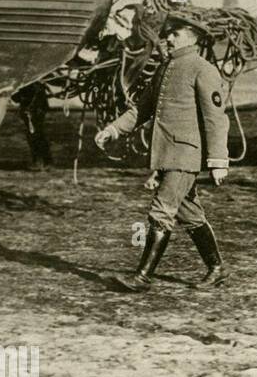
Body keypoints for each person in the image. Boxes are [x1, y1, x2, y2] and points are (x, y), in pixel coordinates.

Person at [94, 15, 230, 291]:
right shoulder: (165, 69)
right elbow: (142, 110)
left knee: (161, 211)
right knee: (189, 214)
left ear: (192, 35)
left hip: (185, 155)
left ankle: (142, 278)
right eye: (167, 33)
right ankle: (217, 268)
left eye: (174, 33)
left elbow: (216, 118)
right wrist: (113, 129)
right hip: (168, 154)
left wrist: (218, 161)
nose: (168, 38)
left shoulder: (202, 69)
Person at [12, 81, 53, 170]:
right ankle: (45, 161)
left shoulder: (30, 84)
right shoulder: (36, 83)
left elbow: (18, 98)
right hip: (37, 110)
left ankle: (40, 162)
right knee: (38, 134)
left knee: (35, 136)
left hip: (33, 111)